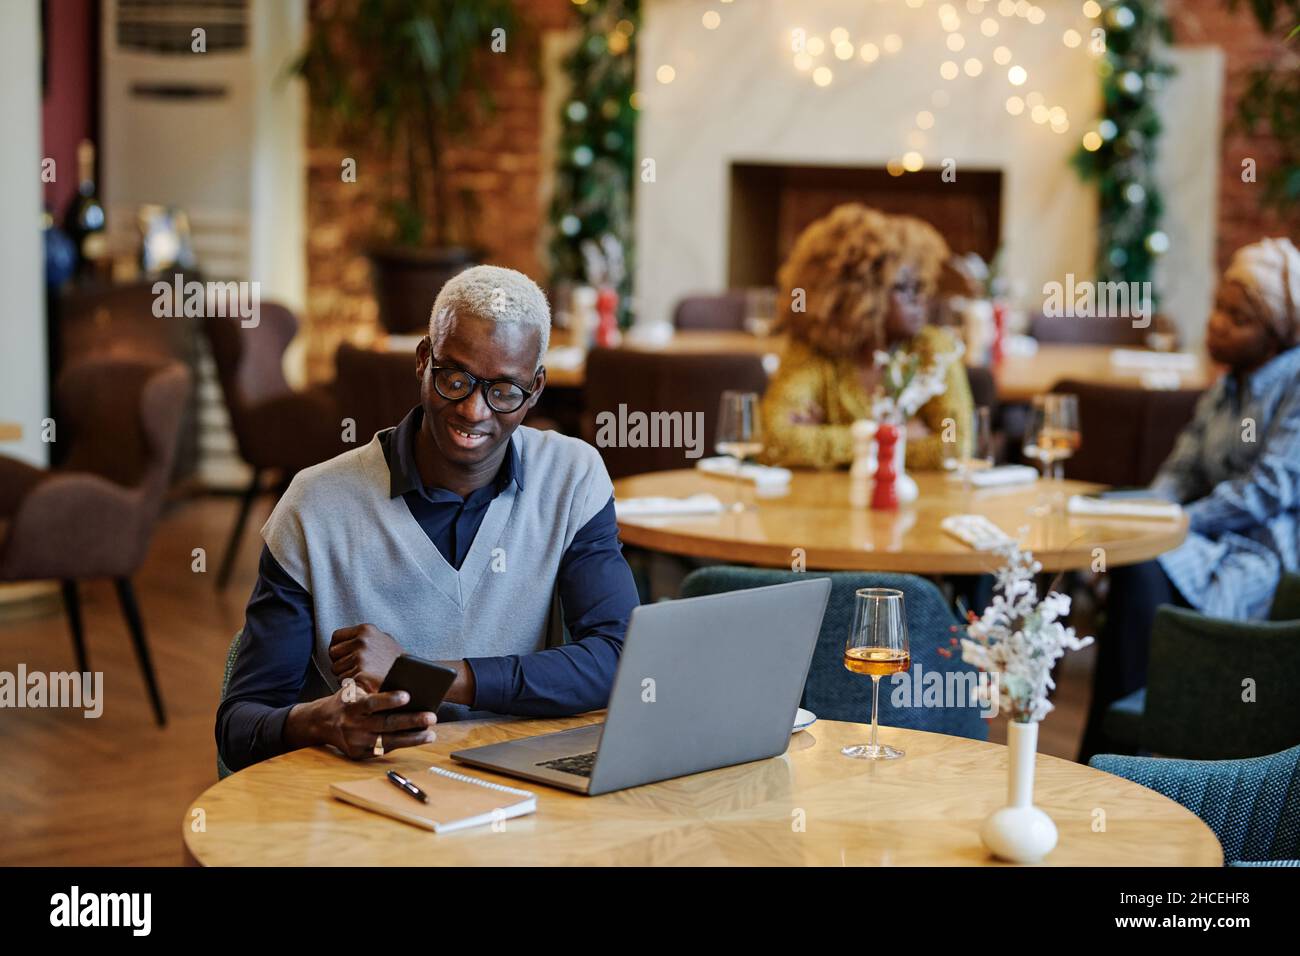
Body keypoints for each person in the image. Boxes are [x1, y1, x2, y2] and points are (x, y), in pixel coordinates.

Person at [216, 265, 639, 772]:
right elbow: (239, 727)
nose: (474, 412)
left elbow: (619, 659)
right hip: (365, 797)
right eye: (454, 379)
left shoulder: (571, 478)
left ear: (537, 388)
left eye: (504, 391)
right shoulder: (317, 505)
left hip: (521, 791)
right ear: (423, 361)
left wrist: (426, 675)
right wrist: (321, 721)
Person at [1079, 237, 1300, 760]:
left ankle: (1114, 752)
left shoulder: (1292, 382)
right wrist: (1146, 517)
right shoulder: (1229, 385)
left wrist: (1174, 525)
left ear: (1274, 335)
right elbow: (1181, 468)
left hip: (1261, 552)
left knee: (1141, 567)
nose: (1216, 323)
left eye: (1237, 317)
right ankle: (1115, 744)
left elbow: (1270, 488)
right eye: (1218, 308)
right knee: (1122, 531)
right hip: (1203, 537)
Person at [758, 204, 973, 470]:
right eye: (903, 288)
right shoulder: (812, 351)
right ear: (859, 295)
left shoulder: (934, 348)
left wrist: (824, 439)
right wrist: (895, 435)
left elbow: (955, 446)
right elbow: (772, 443)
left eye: (921, 285)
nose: (919, 298)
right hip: (827, 505)